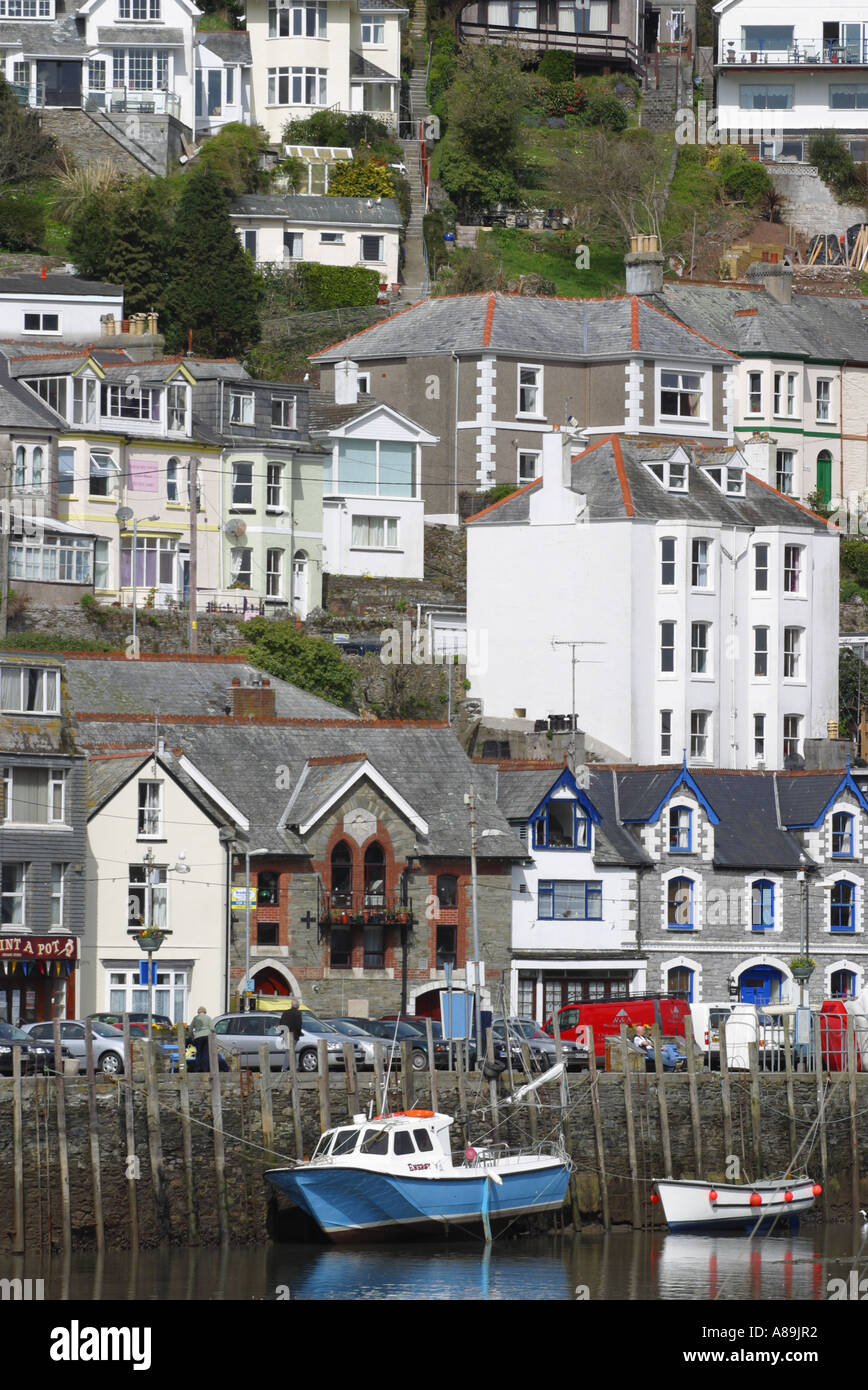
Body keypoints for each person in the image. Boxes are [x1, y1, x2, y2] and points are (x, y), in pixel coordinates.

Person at [279, 998, 303, 1071]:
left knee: (290, 1050)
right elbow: (298, 1025)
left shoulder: (285, 1012)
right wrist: (299, 1034)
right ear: (298, 1006)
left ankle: (295, 1067)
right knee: (289, 1050)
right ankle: (284, 1068)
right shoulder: (298, 1013)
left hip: (286, 1034)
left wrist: (282, 1033)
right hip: (294, 1034)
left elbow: (281, 1023)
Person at [190, 1006, 214, 1072]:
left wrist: (192, 1036)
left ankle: (197, 1069)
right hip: (207, 1036)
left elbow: (190, 1028)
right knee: (206, 1053)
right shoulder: (208, 1018)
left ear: (198, 1012)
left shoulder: (195, 1018)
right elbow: (212, 1029)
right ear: (205, 1011)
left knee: (199, 1053)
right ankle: (205, 1069)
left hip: (198, 1037)